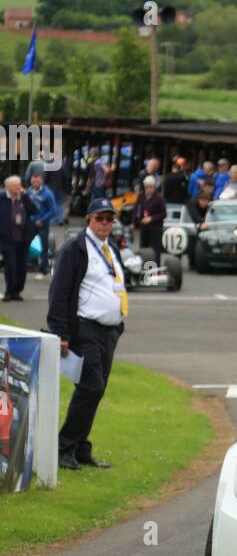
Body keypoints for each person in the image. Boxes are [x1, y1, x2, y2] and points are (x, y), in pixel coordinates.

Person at [47, 198, 140, 470]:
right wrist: (60, 332)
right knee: (91, 387)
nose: (105, 223)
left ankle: (80, 447)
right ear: (89, 218)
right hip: (85, 328)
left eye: (109, 219)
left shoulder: (110, 248)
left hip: (108, 331)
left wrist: (118, 325)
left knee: (96, 390)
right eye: (100, 218)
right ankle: (64, 447)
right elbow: (59, 292)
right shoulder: (74, 248)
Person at [0, 175, 39, 302]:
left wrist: (25, 197)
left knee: (21, 266)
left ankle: (17, 291)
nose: (19, 188)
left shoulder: (24, 198)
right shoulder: (2, 198)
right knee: (10, 265)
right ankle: (9, 291)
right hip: (7, 238)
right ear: (8, 187)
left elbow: (34, 211)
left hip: (23, 238)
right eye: (15, 186)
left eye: (19, 185)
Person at [27, 171, 57, 276]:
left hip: (43, 224)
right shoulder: (29, 192)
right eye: (33, 180)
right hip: (30, 223)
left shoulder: (48, 194)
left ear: (41, 181)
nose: (35, 182)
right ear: (31, 181)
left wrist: (42, 220)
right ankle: (25, 265)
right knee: (24, 244)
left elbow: (53, 210)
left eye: (37, 180)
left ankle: (44, 270)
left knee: (44, 247)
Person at [135, 176, 166, 262]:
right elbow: (137, 209)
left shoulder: (159, 198)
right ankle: (144, 266)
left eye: (151, 187)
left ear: (154, 187)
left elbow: (163, 214)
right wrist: (135, 221)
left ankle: (155, 266)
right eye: (147, 187)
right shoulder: (141, 196)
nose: (149, 189)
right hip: (144, 227)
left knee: (155, 251)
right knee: (144, 250)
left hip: (155, 228)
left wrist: (151, 218)